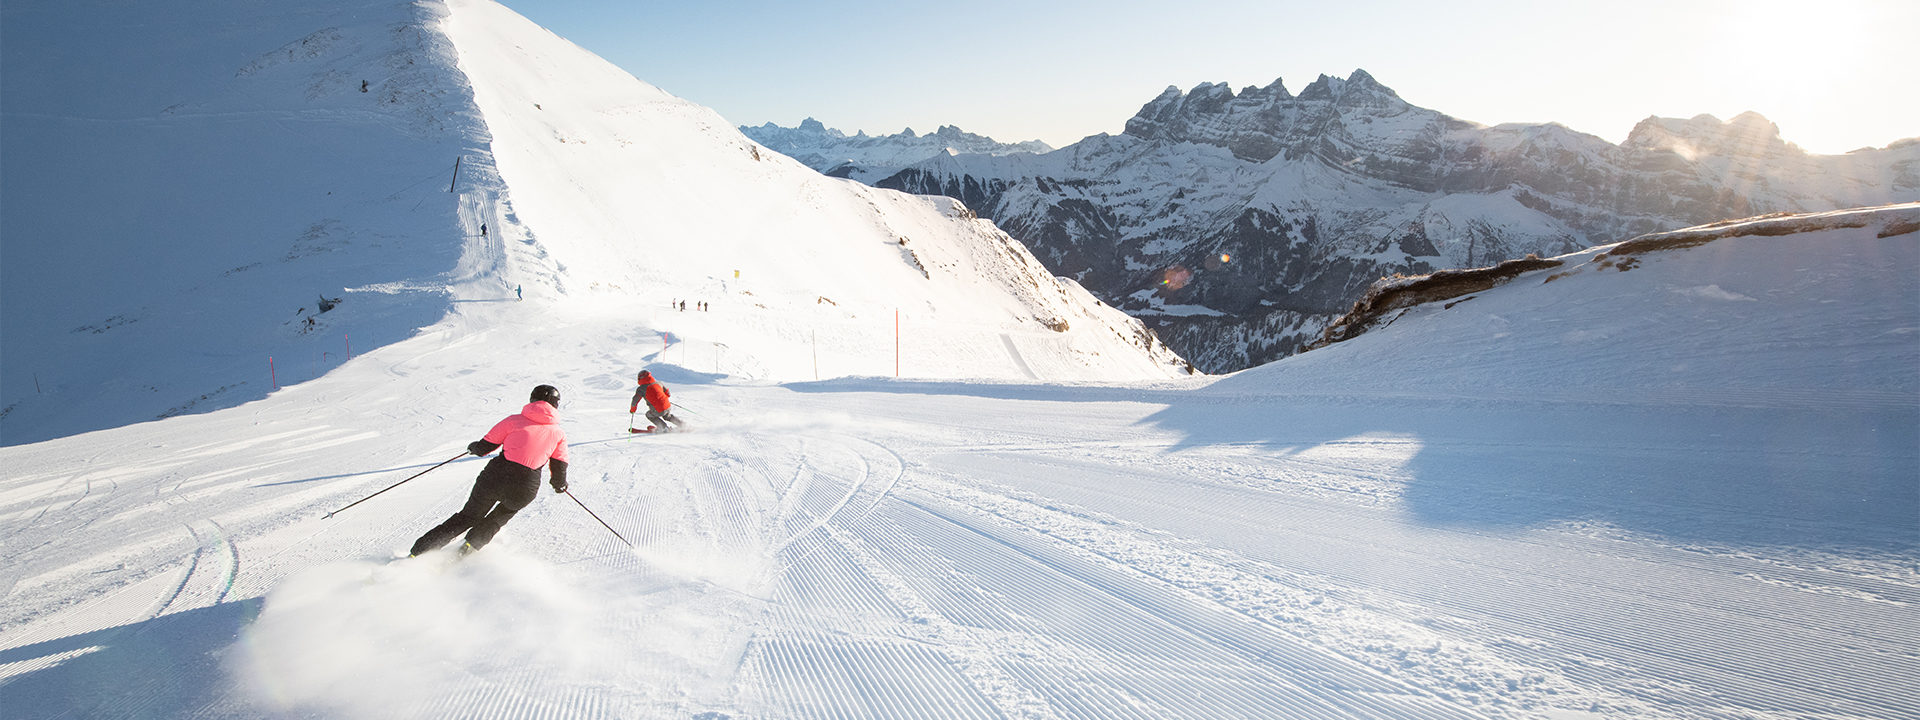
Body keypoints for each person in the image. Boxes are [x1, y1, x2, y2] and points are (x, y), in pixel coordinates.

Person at [410, 385, 570, 556]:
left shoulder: (513, 420)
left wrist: (474, 448)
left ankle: (418, 553)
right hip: (525, 487)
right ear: (556, 405)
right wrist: (559, 484)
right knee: (498, 517)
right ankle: (467, 550)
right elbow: (559, 465)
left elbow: (485, 447)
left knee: (468, 516)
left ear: (532, 399)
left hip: (496, 477)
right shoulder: (559, 434)